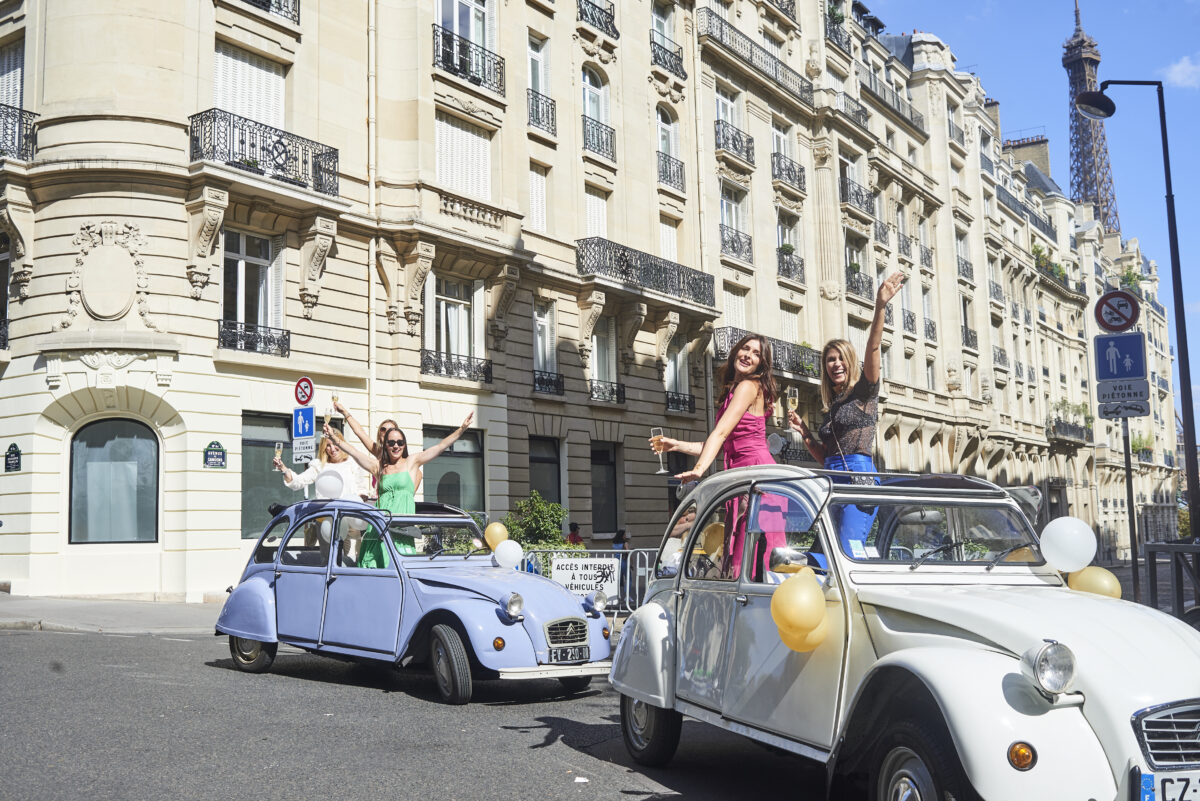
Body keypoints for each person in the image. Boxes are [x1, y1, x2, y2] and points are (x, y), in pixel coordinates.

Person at [789, 270, 905, 553]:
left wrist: (880, 306)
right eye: (830, 359)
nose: (835, 364)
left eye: (841, 358)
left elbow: (874, 346)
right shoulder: (833, 405)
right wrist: (804, 432)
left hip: (858, 476)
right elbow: (825, 455)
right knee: (819, 554)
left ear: (850, 361)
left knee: (846, 549)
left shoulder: (863, 392)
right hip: (831, 477)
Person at [653, 333, 780, 576]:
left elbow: (720, 433)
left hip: (754, 475)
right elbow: (718, 442)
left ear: (761, 365)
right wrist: (675, 445)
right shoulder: (737, 389)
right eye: (746, 349)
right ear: (736, 351)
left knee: (749, 562)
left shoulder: (747, 386)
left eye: (756, 354)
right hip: (741, 476)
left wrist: (699, 470)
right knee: (741, 560)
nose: (748, 356)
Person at [326, 412, 474, 566]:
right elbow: (354, 453)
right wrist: (334, 439)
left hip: (402, 529)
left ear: (404, 444)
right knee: (374, 570)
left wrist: (462, 429)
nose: (396, 446)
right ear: (386, 445)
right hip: (379, 529)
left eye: (399, 442)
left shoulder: (412, 462)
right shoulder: (379, 467)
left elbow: (440, 446)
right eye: (391, 443)